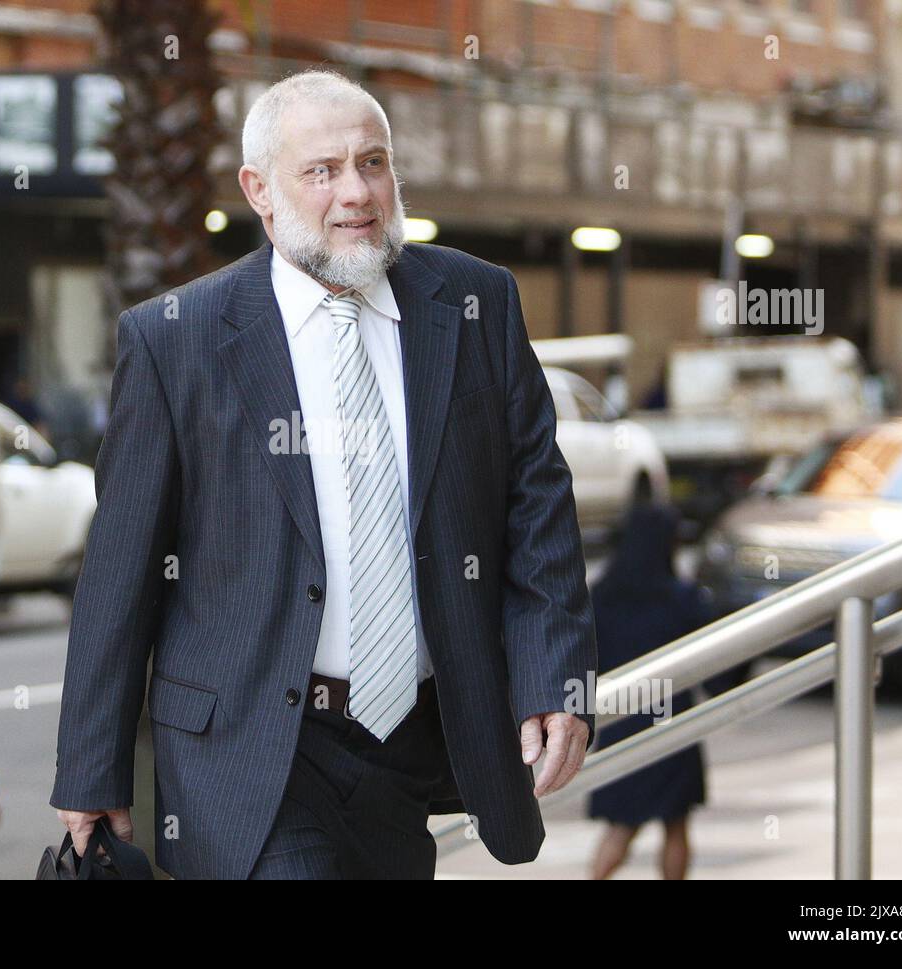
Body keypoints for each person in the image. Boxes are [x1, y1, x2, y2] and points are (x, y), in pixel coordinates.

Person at [52, 69, 597, 879]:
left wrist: (557, 674)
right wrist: (89, 766)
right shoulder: (176, 340)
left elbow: (536, 503)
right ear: (259, 191)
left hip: (412, 739)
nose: (358, 192)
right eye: (322, 171)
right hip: (252, 742)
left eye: (372, 162)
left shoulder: (478, 302)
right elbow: (120, 569)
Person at [587, 501, 710, 880]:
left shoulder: (601, 596)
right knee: (676, 823)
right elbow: (712, 664)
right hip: (673, 722)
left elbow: (587, 658)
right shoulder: (683, 598)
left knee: (621, 827)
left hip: (621, 720)